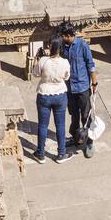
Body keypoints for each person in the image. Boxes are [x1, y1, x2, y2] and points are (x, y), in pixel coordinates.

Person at [31, 40, 72, 162]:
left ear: (49, 46)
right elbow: (67, 77)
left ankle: (40, 153)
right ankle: (61, 153)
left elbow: (35, 74)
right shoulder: (65, 62)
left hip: (44, 93)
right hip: (60, 94)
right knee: (60, 125)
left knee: (43, 125)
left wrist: (36, 60)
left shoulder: (43, 60)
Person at [61, 25, 98, 158]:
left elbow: (91, 64)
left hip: (82, 88)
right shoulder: (63, 47)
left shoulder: (82, 45)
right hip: (69, 88)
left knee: (86, 116)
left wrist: (94, 83)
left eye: (64, 36)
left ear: (70, 35)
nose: (63, 38)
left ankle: (89, 142)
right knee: (74, 115)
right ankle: (76, 137)